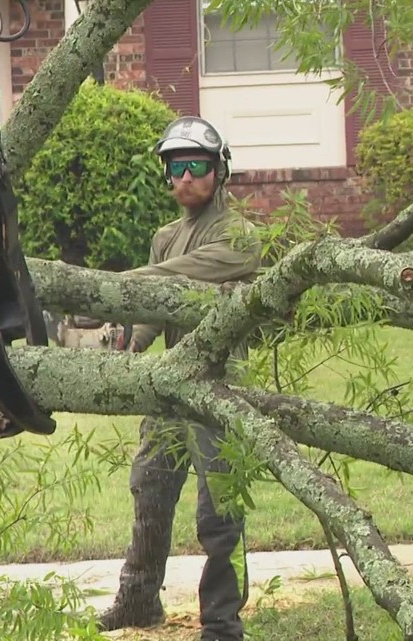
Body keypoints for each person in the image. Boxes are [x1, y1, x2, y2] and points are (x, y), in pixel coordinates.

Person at [96, 115, 263, 641]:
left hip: (220, 389)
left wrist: (119, 284)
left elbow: (180, 278)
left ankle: (221, 621)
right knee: (149, 490)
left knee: (218, 515)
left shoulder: (237, 235)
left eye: (197, 166)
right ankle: (138, 599)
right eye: (176, 167)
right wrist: (123, 337)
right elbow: (152, 311)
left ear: (220, 171)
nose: (186, 177)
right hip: (172, 386)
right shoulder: (164, 237)